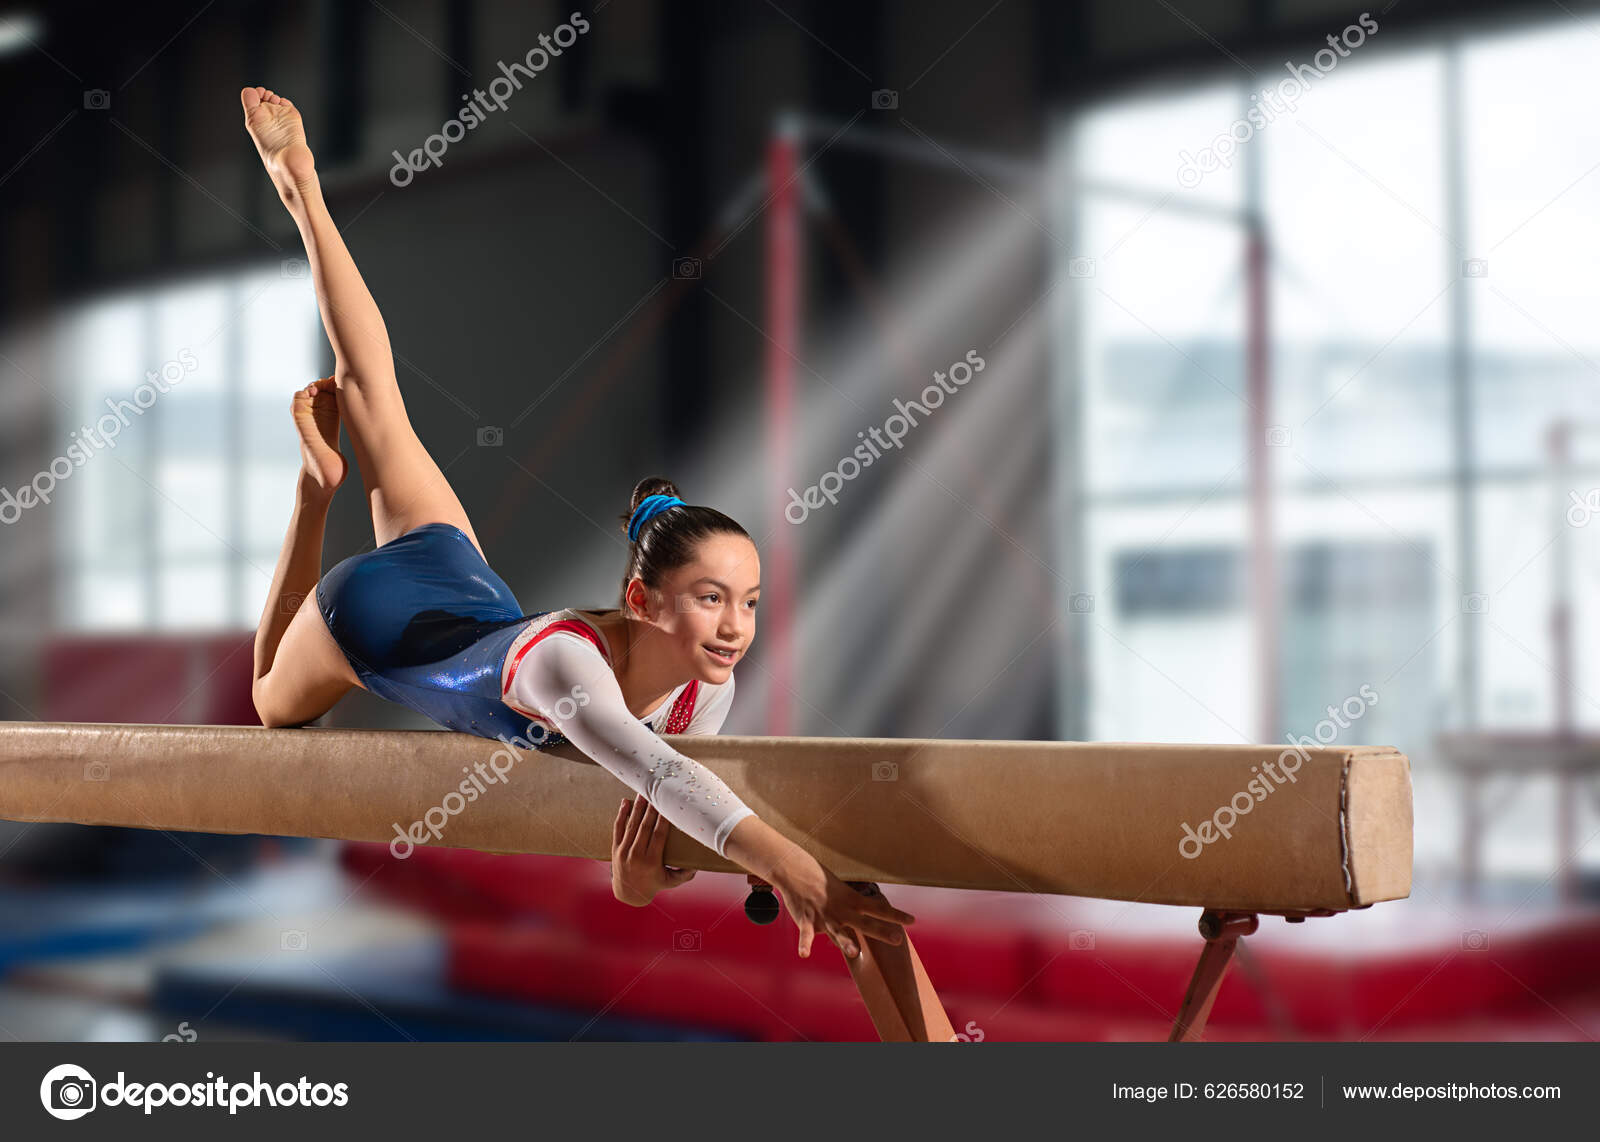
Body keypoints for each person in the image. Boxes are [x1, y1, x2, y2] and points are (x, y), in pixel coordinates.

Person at [240, 86, 911, 961]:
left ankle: (304, 206)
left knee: (377, 394)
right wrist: (793, 867)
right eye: (711, 598)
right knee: (267, 706)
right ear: (642, 597)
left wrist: (642, 885)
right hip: (373, 621)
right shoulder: (565, 665)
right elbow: (664, 775)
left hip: (459, 578)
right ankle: (315, 473)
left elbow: (659, 818)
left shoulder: (704, 691)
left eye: (748, 600)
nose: (737, 626)